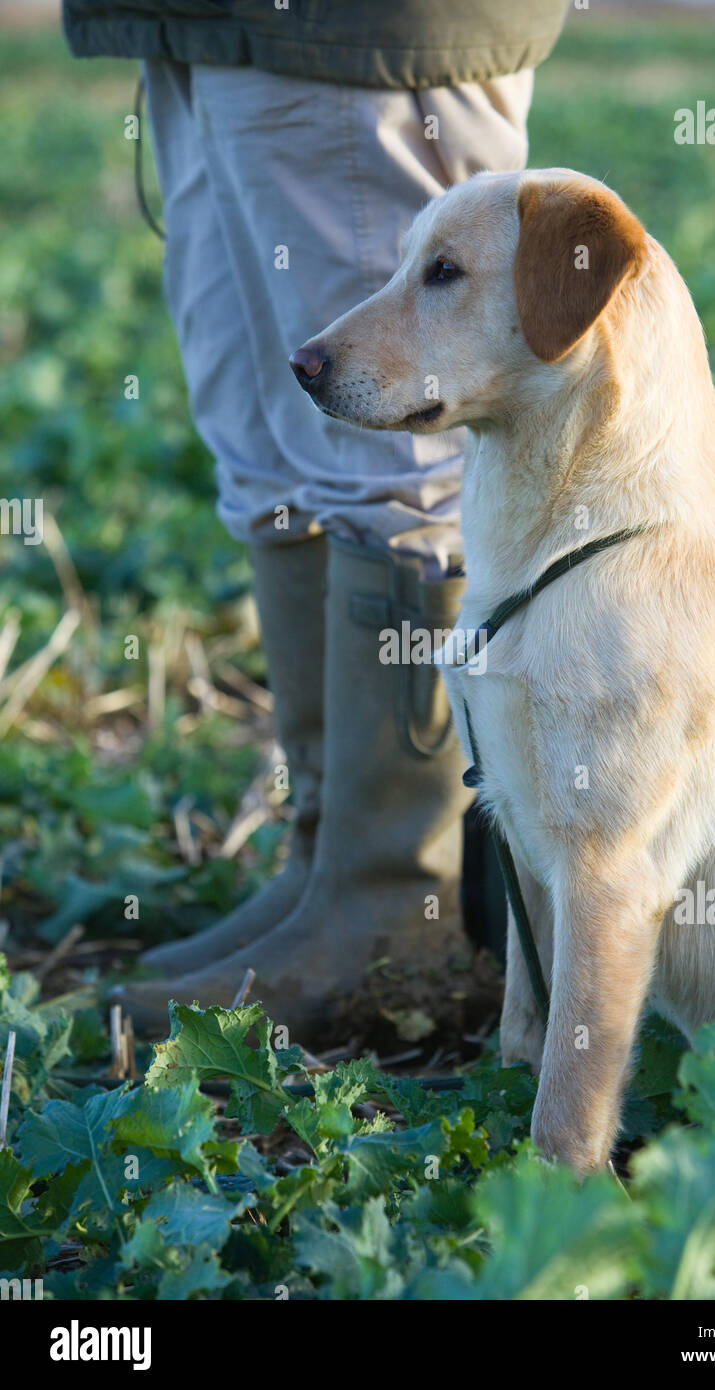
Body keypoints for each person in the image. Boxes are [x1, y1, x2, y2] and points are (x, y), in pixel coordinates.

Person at [61, 0, 568, 1040]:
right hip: (212, 24)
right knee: (273, 440)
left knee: (391, 449)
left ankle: (398, 907)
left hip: (353, 28)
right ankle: (328, 862)